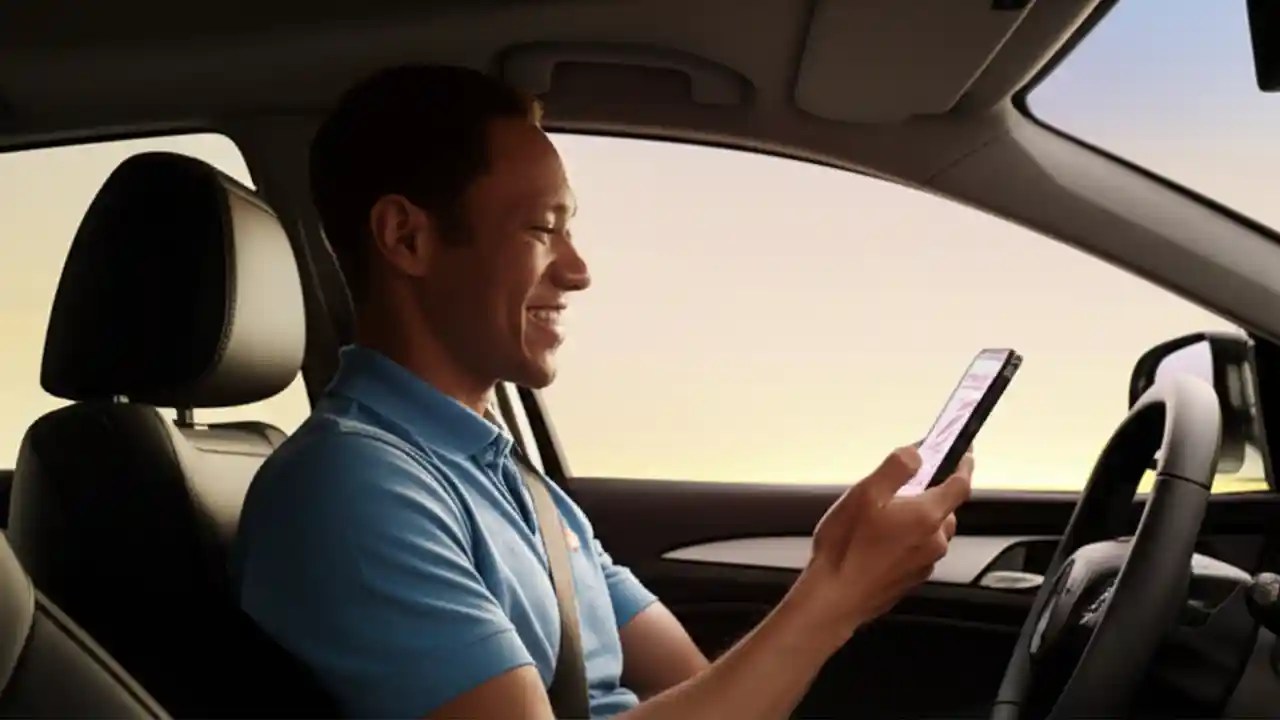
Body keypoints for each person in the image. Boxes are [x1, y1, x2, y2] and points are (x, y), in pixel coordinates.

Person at [232, 64, 973, 720]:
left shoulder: (509, 479)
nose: (578, 269)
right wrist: (835, 596)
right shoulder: (349, 488)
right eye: (541, 229)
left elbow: (708, 692)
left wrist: (829, 573)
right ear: (407, 239)